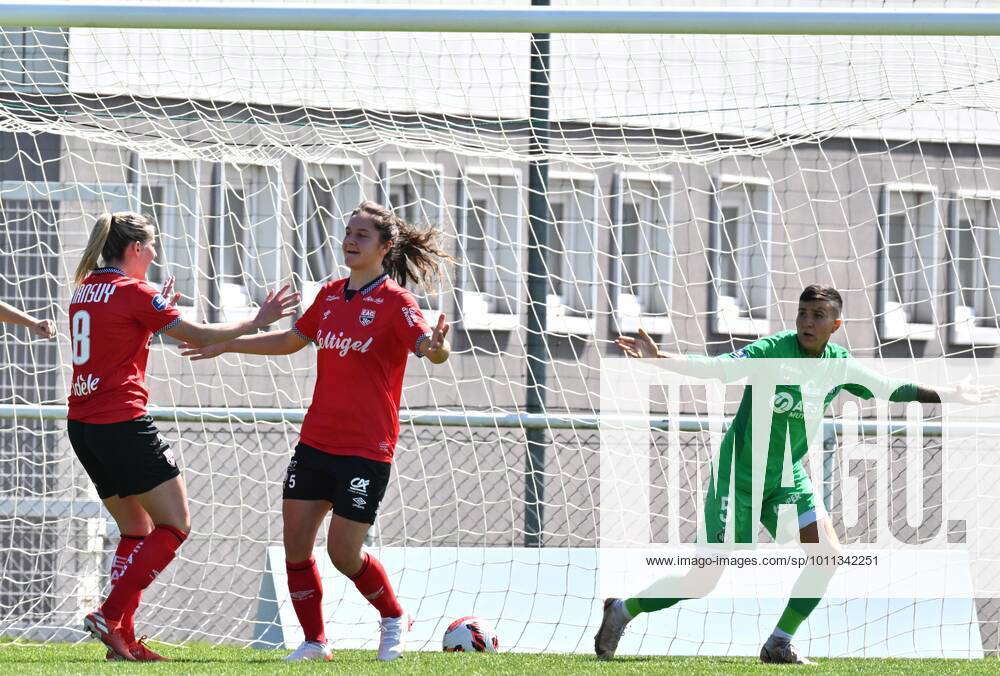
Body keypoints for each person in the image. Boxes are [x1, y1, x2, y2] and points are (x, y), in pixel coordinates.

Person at [595, 284, 999, 664]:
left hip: (786, 480)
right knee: (701, 582)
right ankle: (623, 609)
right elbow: (718, 368)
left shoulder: (838, 364)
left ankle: (778, 642)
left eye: (818, 315)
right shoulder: (773, 350)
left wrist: (949, 395)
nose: (807, 321)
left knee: (827, 555)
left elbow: (888, 388)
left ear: (835, 325)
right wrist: (661, 359)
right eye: (803, 313)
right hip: (739, 478)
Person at [182, 201, 452, 662]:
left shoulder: (397, 302)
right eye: (348, 232)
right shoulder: (328, 295)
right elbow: (292, 340)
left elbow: (429, 346)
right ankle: (314, 642)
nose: (350, 240)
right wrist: (228, 345)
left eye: (362, 234)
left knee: (343, 553)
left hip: (367, 449)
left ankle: (393, 617)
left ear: (385, 246)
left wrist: (438, 347)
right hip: (316, 443)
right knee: (295, 544)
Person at [69, 212, 298, 661]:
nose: (155, 254)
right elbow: (198, 334)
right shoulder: (134, 292)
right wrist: (257, 320)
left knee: (136, 529)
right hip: (122, 422)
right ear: (136, 248)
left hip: (84, 425)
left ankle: (122, 638)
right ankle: (110, 614)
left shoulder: (85, 289)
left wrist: (154, 314)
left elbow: (116, 339)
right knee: (175, 525)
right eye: (152, 246)